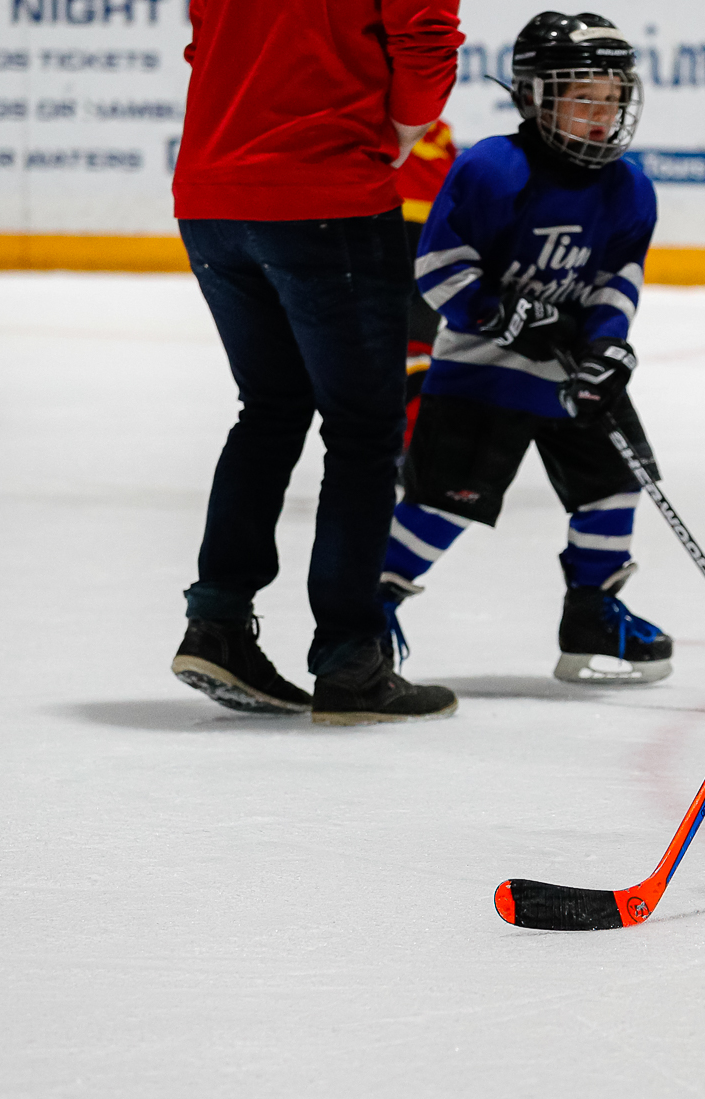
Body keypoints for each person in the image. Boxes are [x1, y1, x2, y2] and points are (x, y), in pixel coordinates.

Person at [168, 0, 463, 725]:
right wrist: (399, 134)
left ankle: (217, 624)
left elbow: (205, 37)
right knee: (364, 431)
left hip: (211, 192)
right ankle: (349, 659)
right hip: (325, 189)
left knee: (268, 410)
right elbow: (425, 47)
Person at [380, 11, 672, 685]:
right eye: (583, 99)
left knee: (615, 483)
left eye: (611, 99)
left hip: (570, 374)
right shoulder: (491, 167)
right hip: (481, 371)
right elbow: (439, 267)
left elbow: (614, 282)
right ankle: (369, 609)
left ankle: (592, 613)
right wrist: (501, 314)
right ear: (536, 96)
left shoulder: (630, 188)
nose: (602, 116)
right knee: (441, 501)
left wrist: (606, 349)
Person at [395, 118, 459, 449]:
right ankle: (416, 443)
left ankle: (407, 442)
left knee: (396, 348)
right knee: (416, 348)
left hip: (387, 225)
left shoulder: (370, 116)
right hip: (433, 234)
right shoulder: (438, 127)